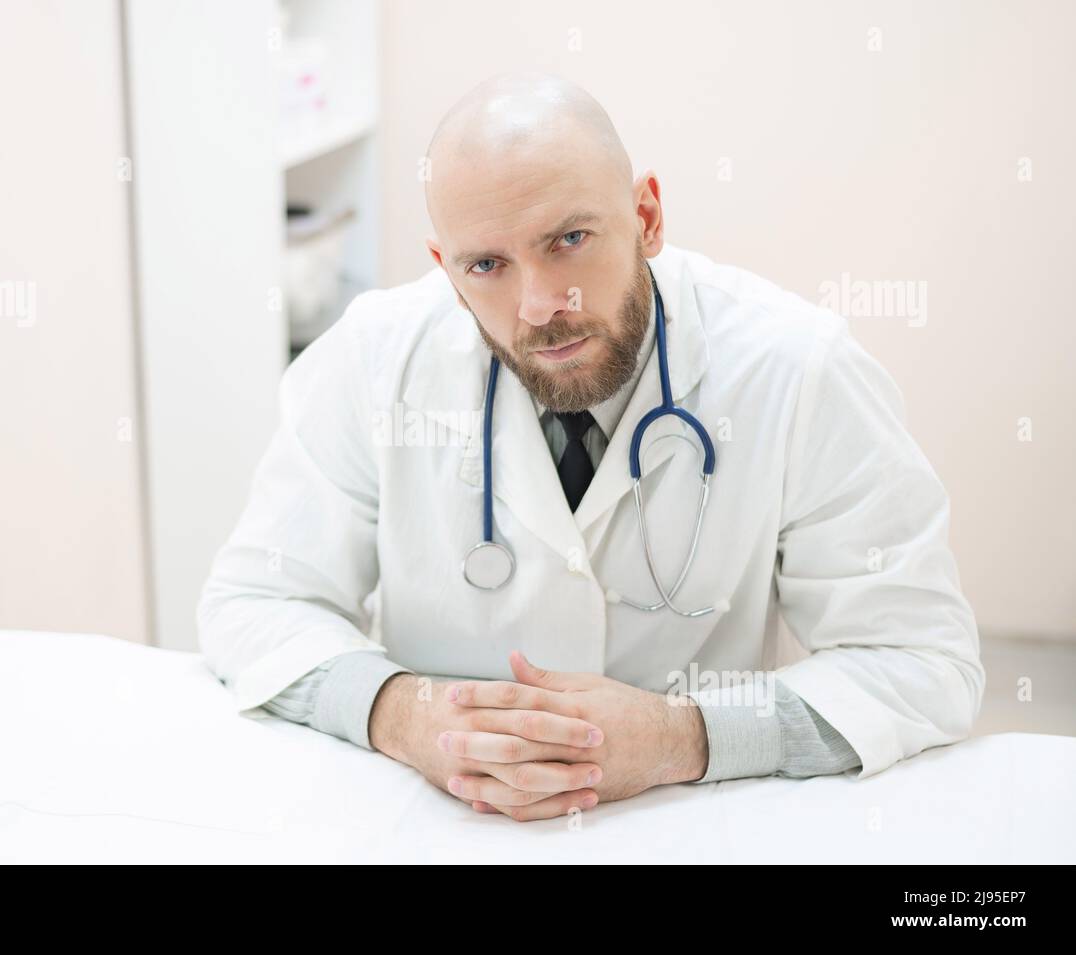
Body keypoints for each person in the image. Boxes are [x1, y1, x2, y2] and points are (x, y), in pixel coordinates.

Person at [197, 71, 984, 822]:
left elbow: (921, 661)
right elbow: (256, 602)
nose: (541, 305)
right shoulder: (371, 361)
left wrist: (686, 736)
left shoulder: (798, 371)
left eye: (570, 238)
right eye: (487, 265)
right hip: (443, 827)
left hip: (697, 821)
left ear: (646, 217)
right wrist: (402, 714)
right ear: (446, 268)